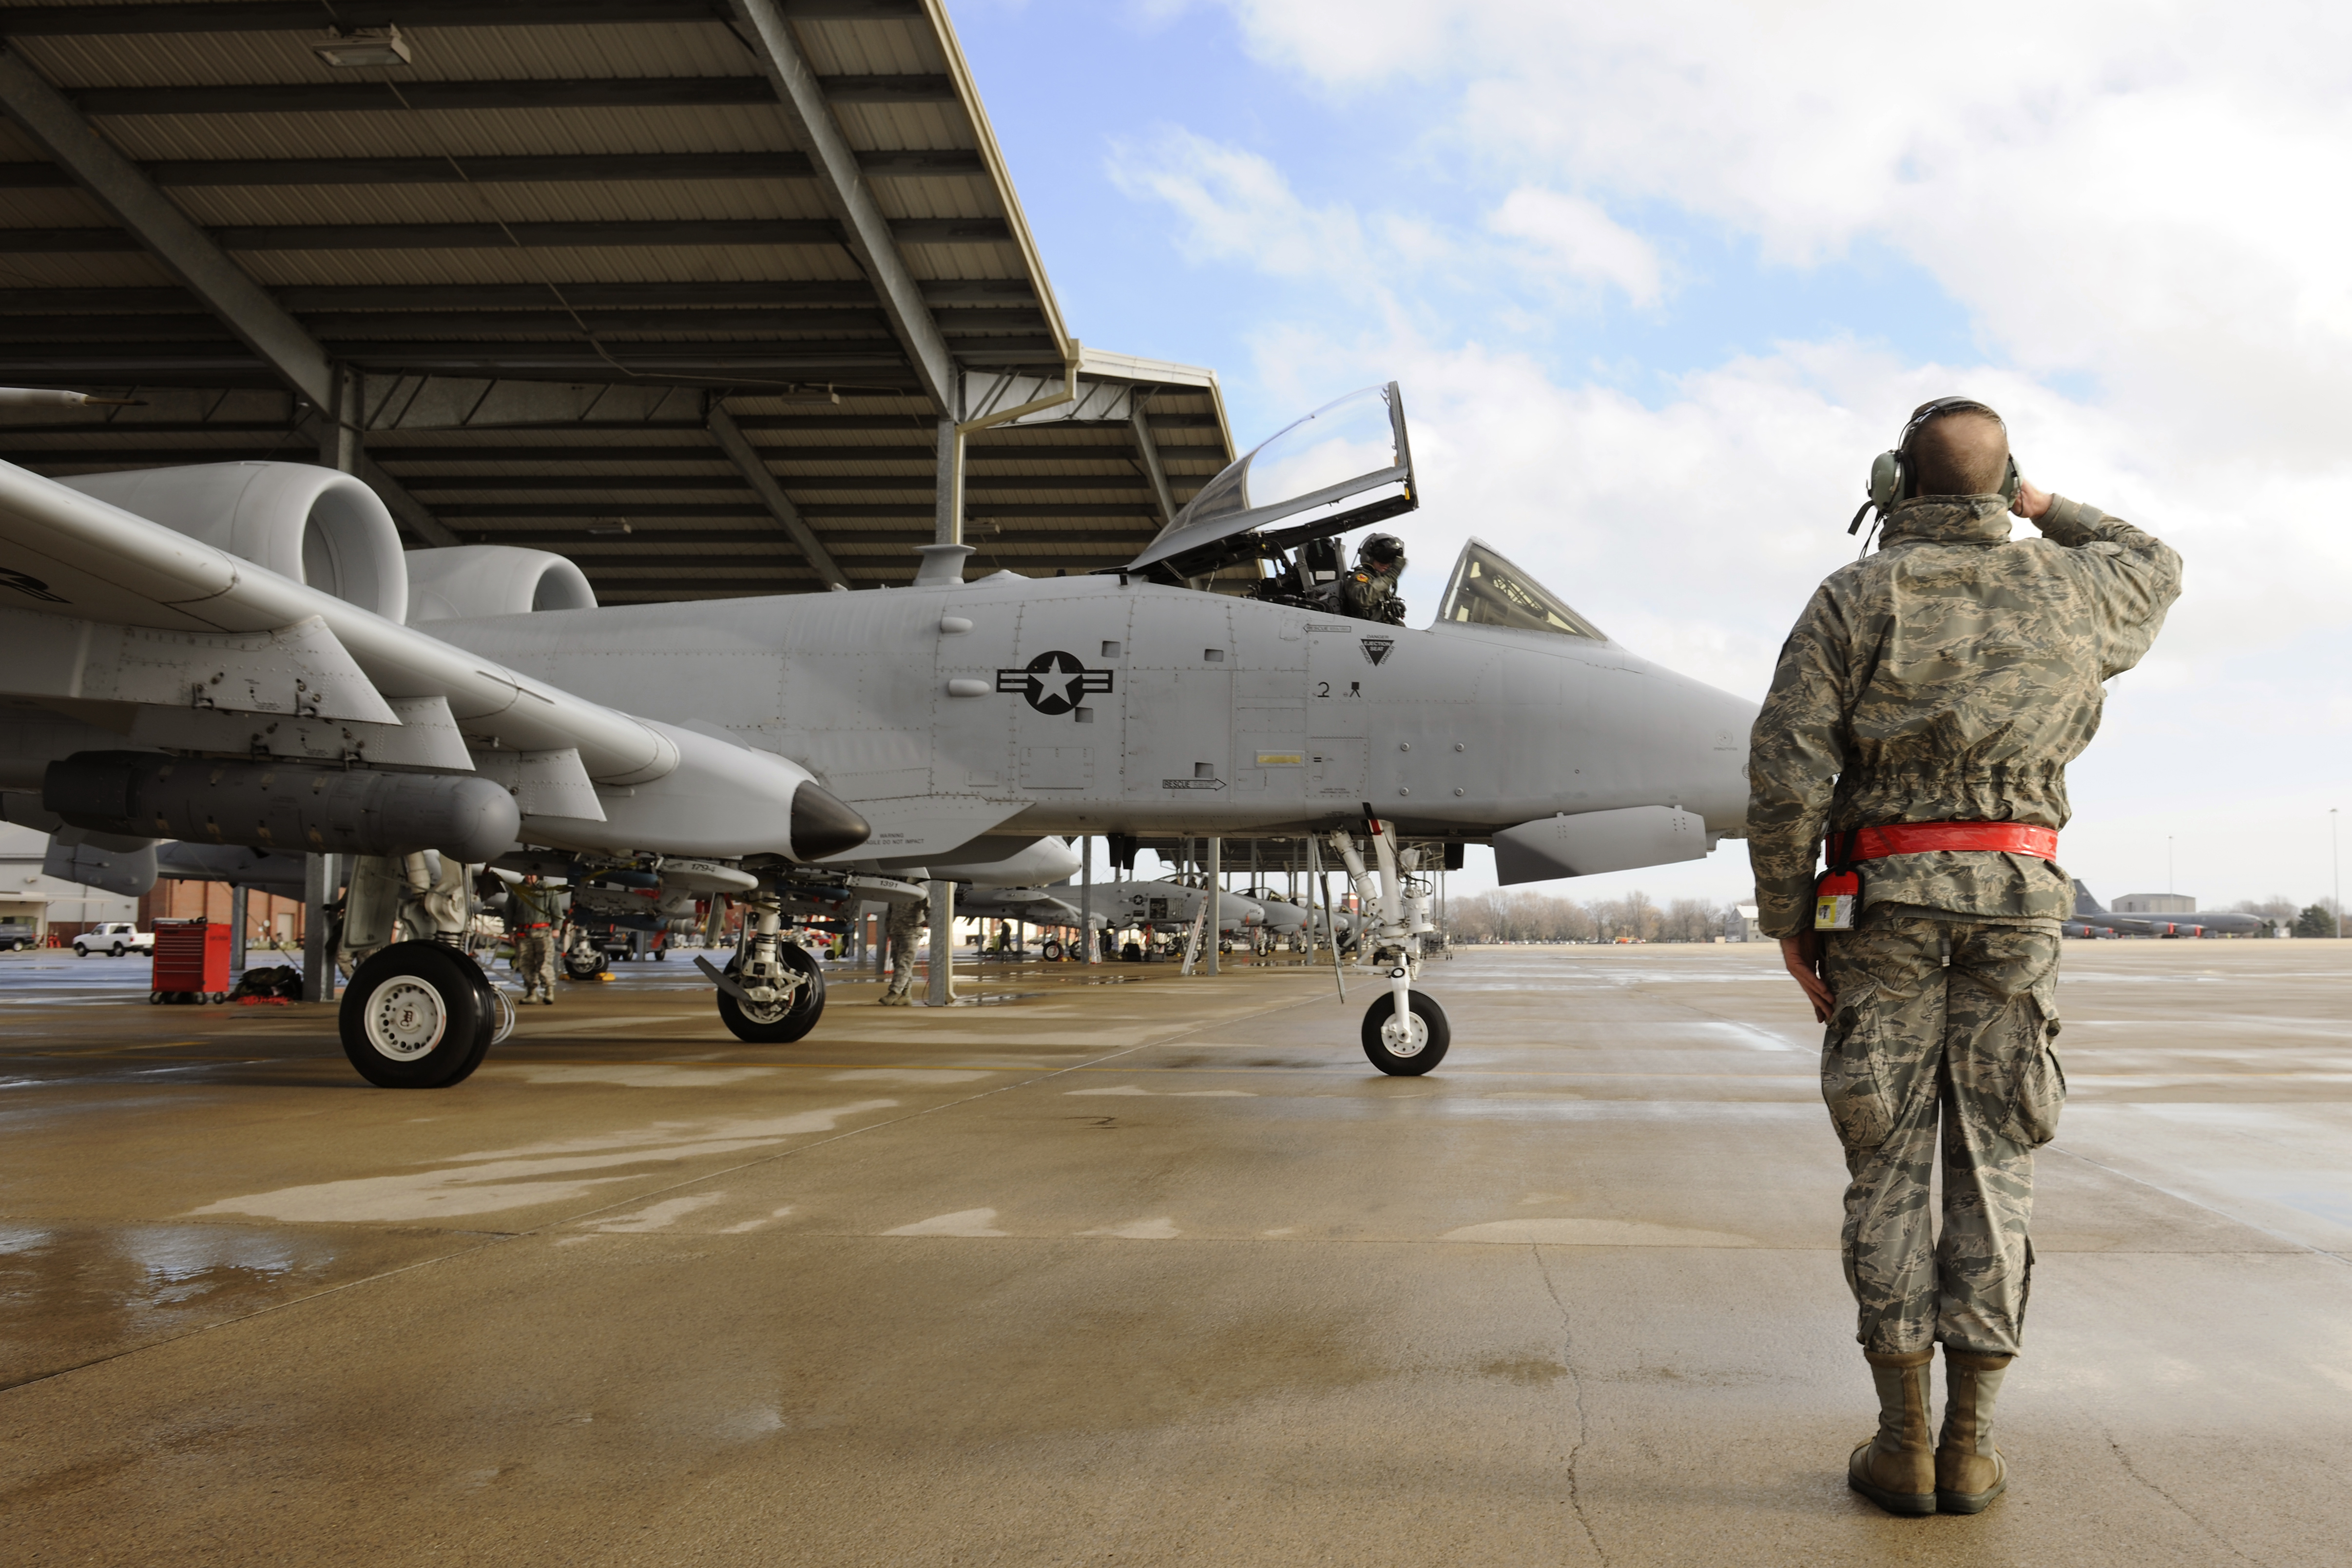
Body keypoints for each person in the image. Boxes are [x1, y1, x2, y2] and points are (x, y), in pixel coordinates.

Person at [1746, 398, 2180, 1518]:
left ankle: (1902, 1444)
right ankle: (1972, 1446)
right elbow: (2155, 559)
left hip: (1881, 906)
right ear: (2002, 485)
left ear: (1894, 485)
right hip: (2017, 906)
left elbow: (1787, 773)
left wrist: (1790, 920)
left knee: (1885, 1162)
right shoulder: (2074, 586)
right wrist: (2038, 504)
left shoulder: (1852, 597)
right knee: (1993, 1163)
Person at [510, 875, 564, 1005]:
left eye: (532, 874)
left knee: (544, 962)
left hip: (542, 932)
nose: (530, 877)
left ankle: (549, 991)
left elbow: (556, 910)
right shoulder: (517, 890)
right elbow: (509, 912)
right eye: (527, 874)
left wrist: (557, 928)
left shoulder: (547, 890)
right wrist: (510, 931)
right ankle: (531, 993)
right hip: (523, 933)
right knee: (525, 963)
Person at [1339, 533, 1407, 624]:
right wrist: (1391, 576)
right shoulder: (1360, 577)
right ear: (1370, 556)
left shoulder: (1382, 585)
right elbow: (1363, 599)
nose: (1387, 563)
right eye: (1384, 557)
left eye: (1392, 559)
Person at [877, 896, 924, 1006]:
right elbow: (890, 912)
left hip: (912, 931)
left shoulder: (918, 890)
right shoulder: (897, 890)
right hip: (896, 931)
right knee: (898, 964)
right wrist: (888, 929)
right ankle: (906, 995)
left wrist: (929, 921)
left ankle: (893, 994)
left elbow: (929, 908)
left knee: (904, 963)